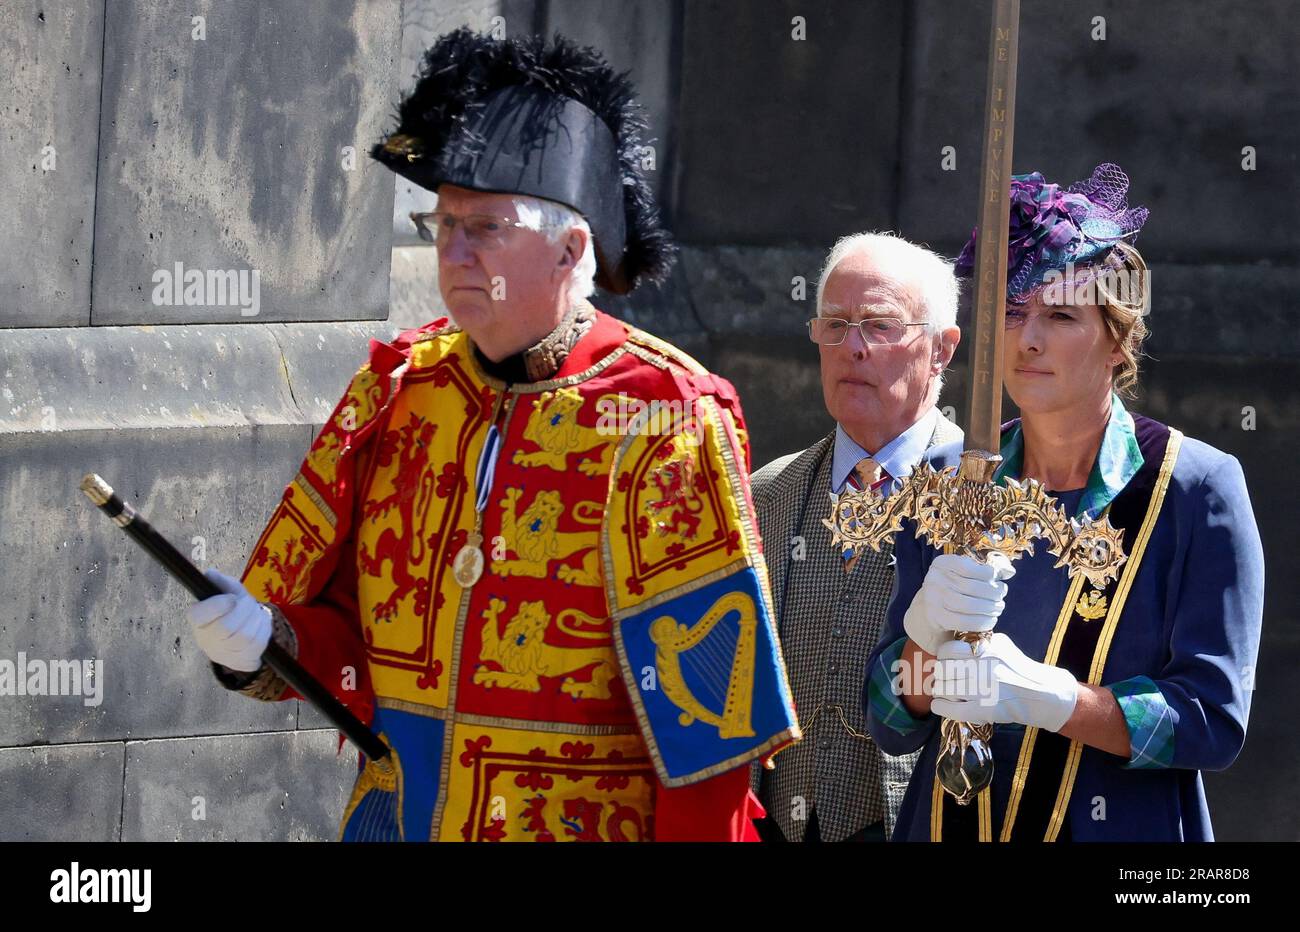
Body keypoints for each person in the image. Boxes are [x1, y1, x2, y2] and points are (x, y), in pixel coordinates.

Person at [184, 28, 797, 842]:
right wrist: (266, 640)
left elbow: (711, 727)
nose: (456, 253)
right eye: (444, 226)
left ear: (570, 249)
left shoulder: (667, 413)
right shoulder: (398, 387)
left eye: (487, 229)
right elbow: (340, 632)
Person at [864, 163, 1265, 841]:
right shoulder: (946, 477)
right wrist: (921, 647)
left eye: (1060, 315)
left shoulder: (1196, 488)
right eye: (1014, 312)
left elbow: (1214, 720)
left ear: (1116, 338)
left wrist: (1060, 702)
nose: (1029, 339)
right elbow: (889, 718)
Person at [750, 233, 962, 841]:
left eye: (880, 325)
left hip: (921, 820)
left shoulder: (990, 494)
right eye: (836, 325)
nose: (854, 348)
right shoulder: (770, 492)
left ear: (943, 349)